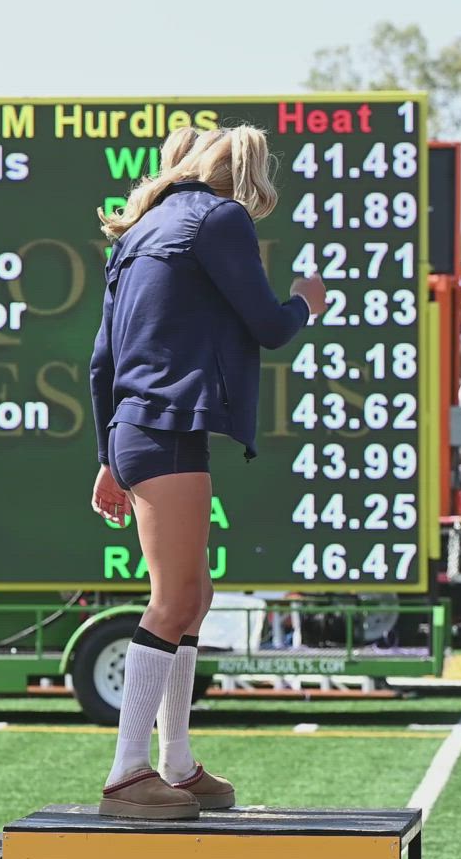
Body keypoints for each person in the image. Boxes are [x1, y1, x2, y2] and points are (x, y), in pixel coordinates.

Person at [89, 124, 327, 821]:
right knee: (177, 597)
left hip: (145, 428)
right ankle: (129, 770)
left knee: (194, 594)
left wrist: (107, 457)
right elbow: (270, 325)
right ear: (245, 175)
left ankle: (177, 761)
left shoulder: (140, 228)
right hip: (164, 426)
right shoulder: (217, 217)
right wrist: (306, 303)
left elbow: (102, 362)